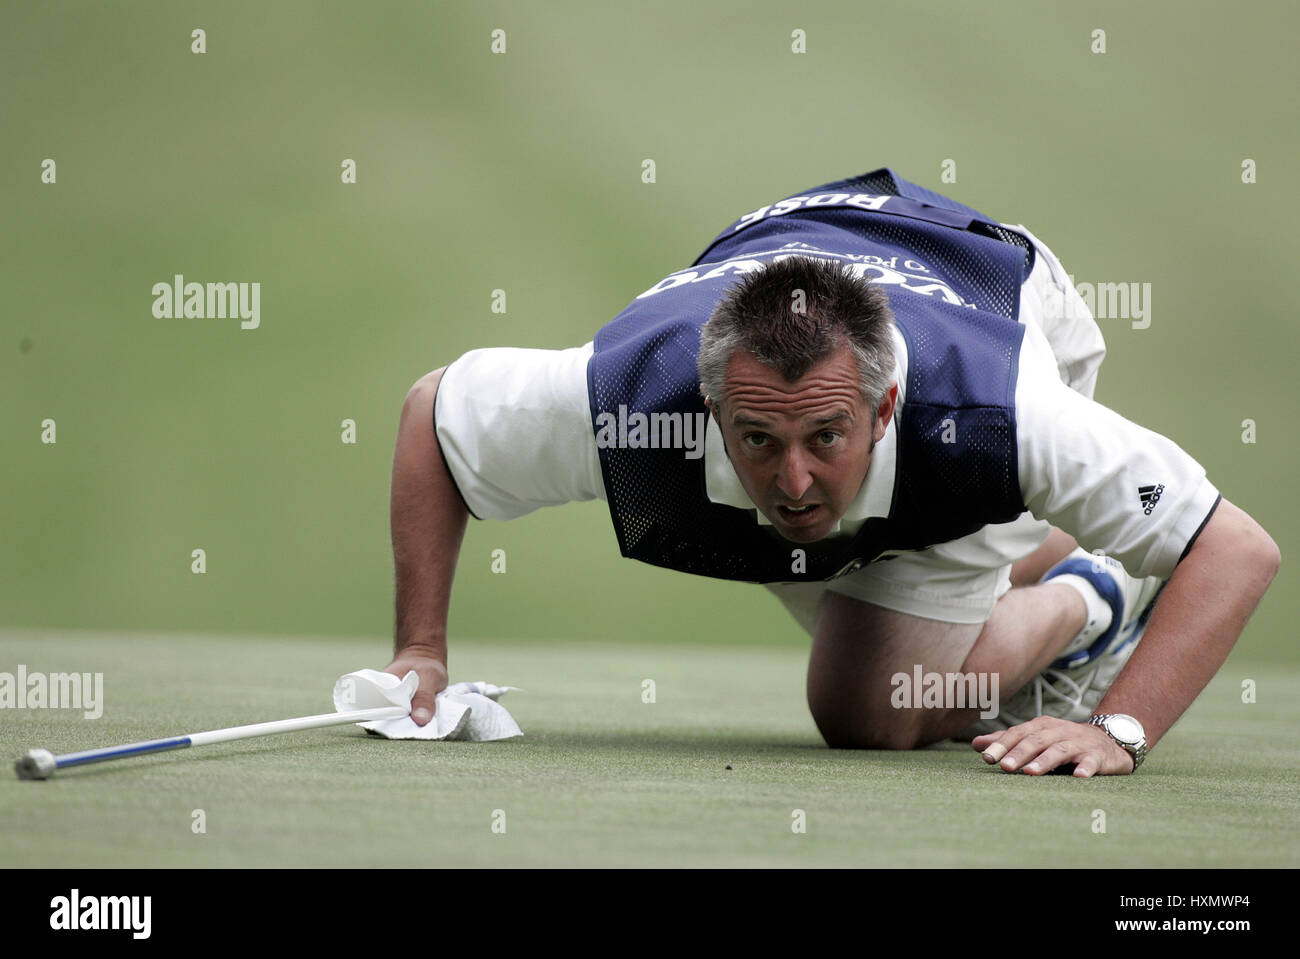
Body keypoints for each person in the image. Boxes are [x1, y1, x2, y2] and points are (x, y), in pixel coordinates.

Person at [383, 168, 1279, 776]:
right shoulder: (622, 401)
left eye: (825, 436)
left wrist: (1116, 730)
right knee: (842, 560)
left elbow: (1234, 549)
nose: (795, 481)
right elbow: (434, 413)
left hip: (1002, 286)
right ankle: (1031, 559)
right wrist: (420, 653)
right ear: (708, 409)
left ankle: (1096, 595)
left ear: (884, 410)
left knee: (871, 709)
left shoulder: (1002, 414)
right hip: (815, 233)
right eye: (759, 440)